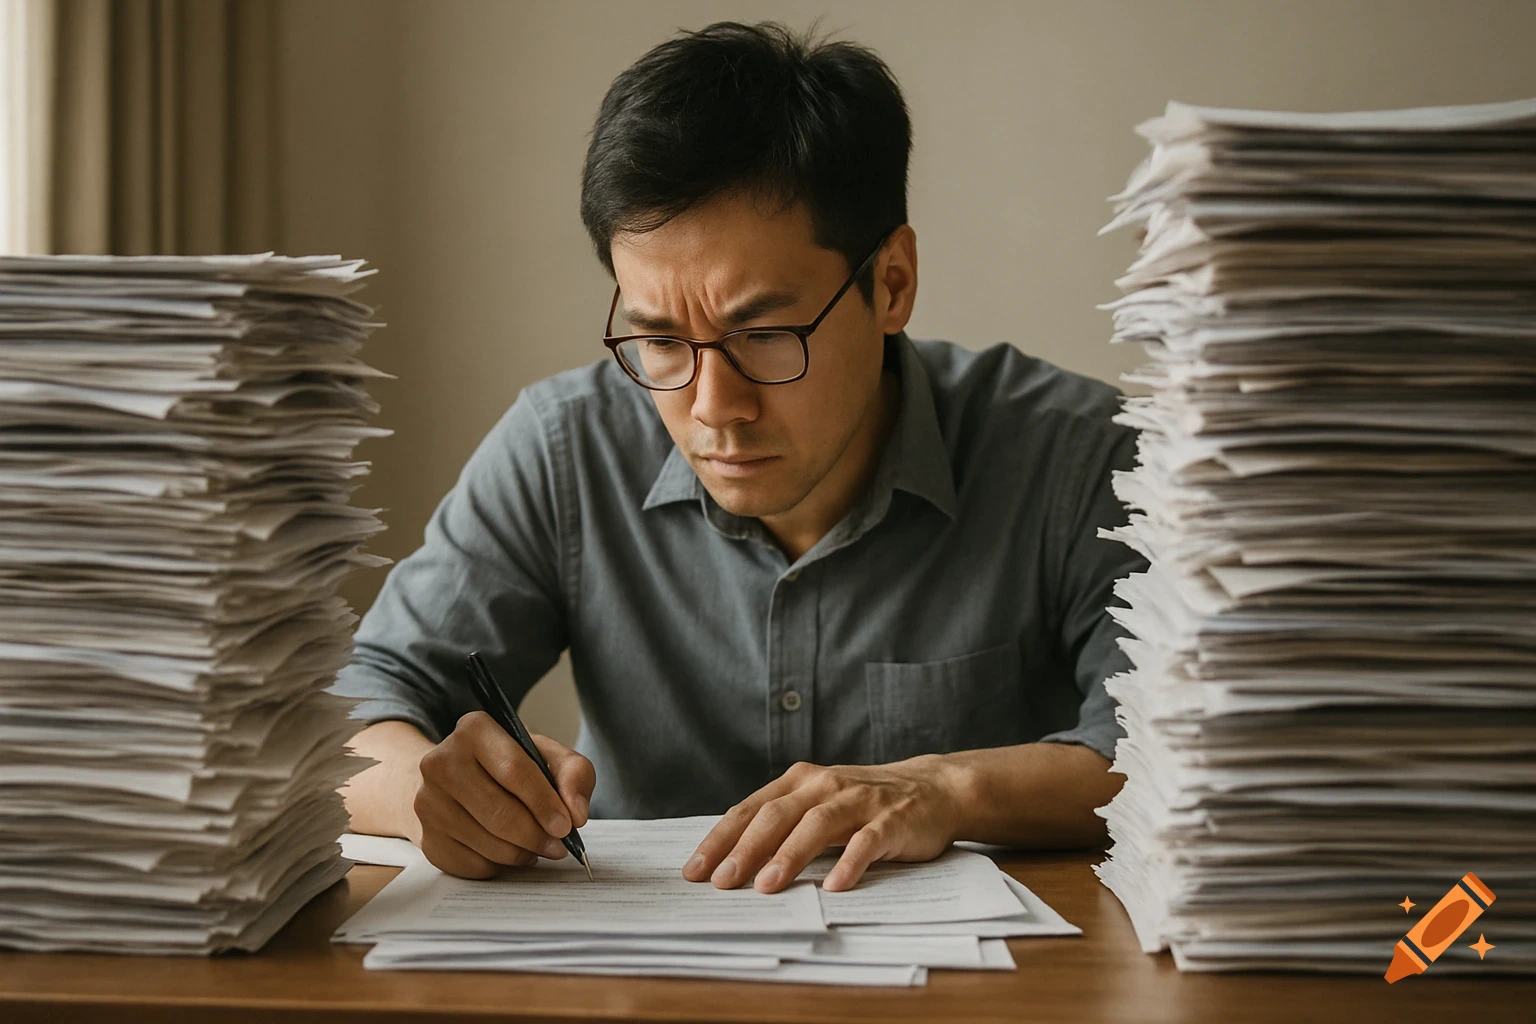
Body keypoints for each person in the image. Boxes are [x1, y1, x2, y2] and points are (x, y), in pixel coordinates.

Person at [334, 21, 1144, 896]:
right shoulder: (566, 449)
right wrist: (425, 792)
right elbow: (352, 707)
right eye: (660, 341)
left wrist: (948, 788)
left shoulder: (1077, 459)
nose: (713, 406)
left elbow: (1182, 751)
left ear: (893, 283)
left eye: (764, 334)